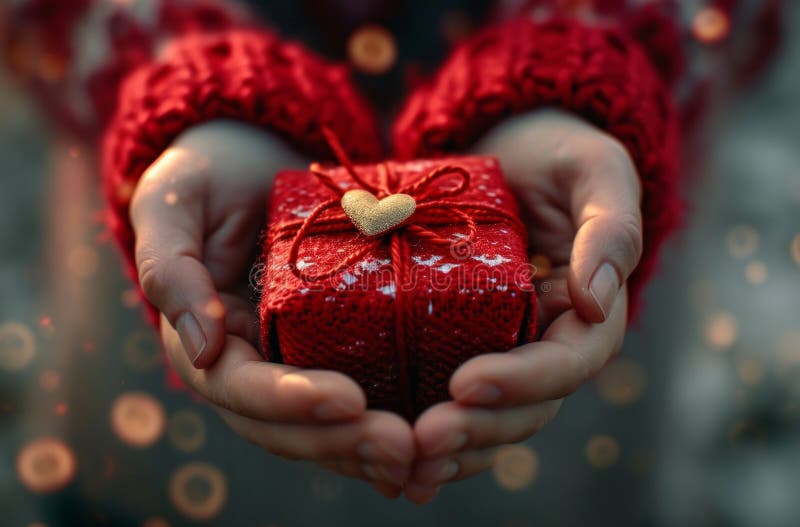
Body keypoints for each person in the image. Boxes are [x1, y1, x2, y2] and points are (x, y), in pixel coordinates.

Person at [1, 0, 780, 504]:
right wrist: (183, 79)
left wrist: (586, 66)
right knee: (148, 476)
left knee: (570, 472)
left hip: (571, 222)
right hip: (195, 222)